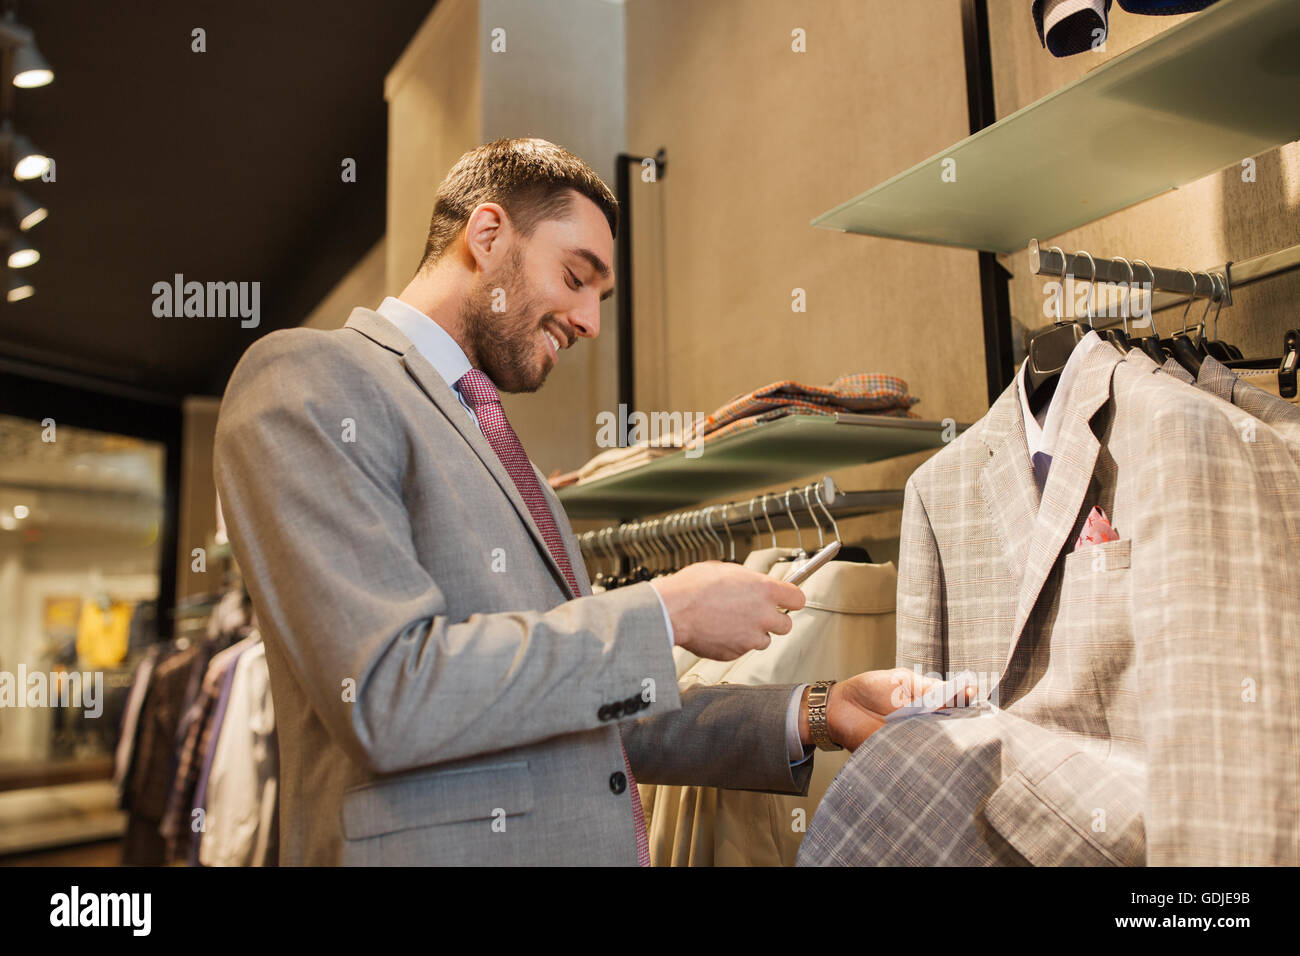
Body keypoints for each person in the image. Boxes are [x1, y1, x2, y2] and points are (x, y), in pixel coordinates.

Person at [214, 137, 934, 865]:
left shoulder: (502, 450)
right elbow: (384, 694)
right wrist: (666, 611)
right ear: (487, 235)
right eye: (576, 276)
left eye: (601, 296)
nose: (591, 320)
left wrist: (813, 711)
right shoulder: (309, 378)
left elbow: (587, 702)